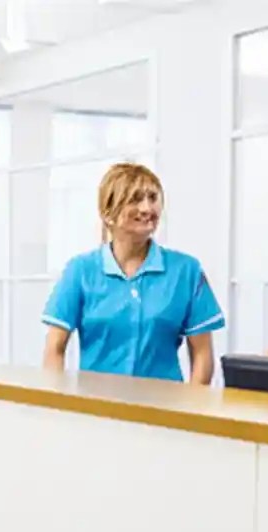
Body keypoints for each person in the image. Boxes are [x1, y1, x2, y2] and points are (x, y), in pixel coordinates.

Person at [41, 163, 224, 384]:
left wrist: (192, 411)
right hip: (95, 408)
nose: (148, 208)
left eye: (153, 198)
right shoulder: (80, 271)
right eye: (135, 199)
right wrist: (57, 403)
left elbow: (202, 354)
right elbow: (54, 348)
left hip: (166, 409)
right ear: (108, 212)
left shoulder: (186, 270)